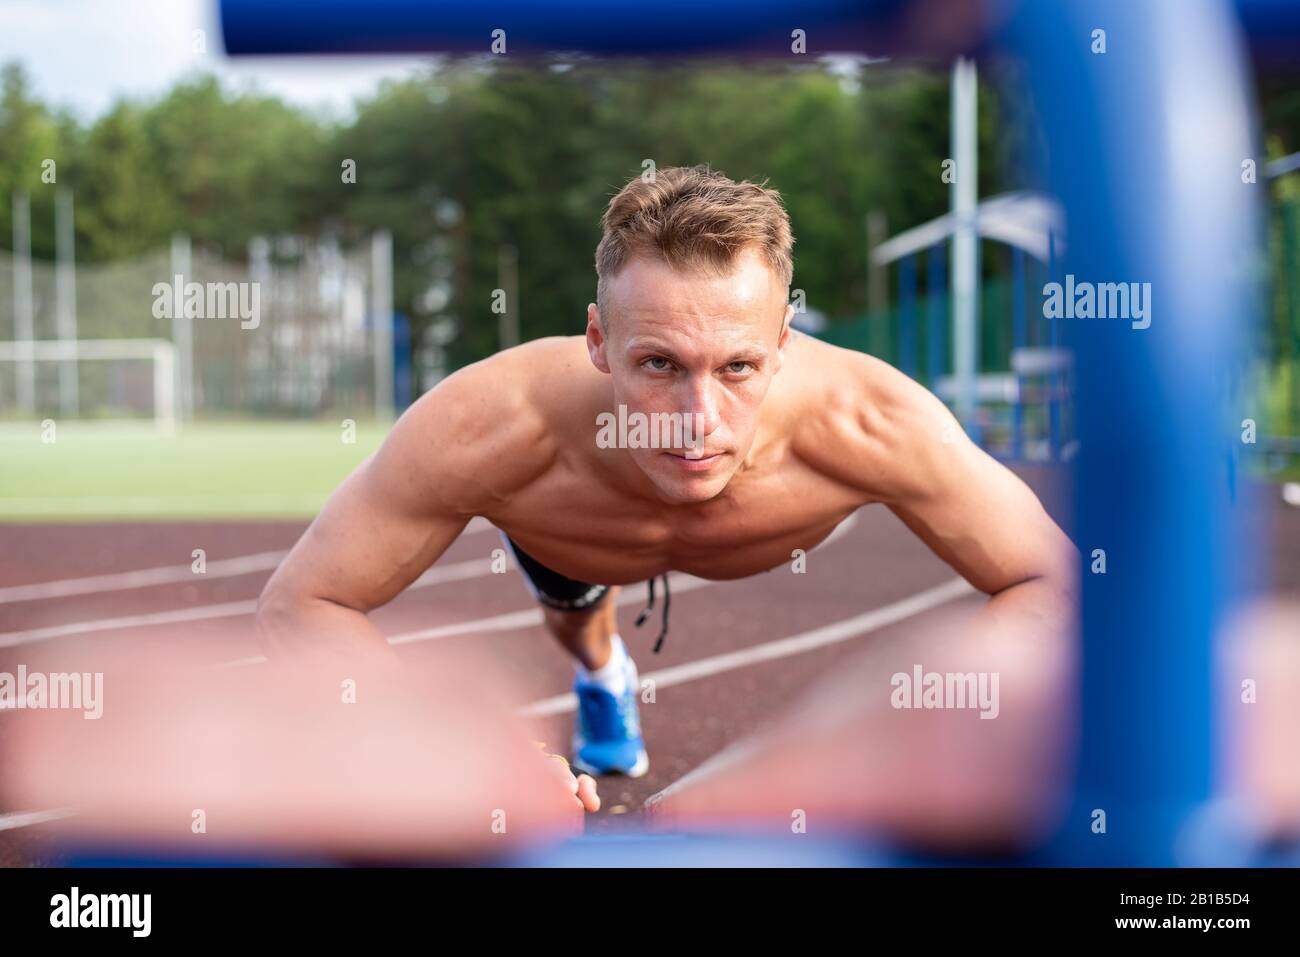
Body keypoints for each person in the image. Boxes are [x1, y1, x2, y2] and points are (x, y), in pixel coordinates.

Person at [255, 165, 1078, 795]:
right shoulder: (487, 428)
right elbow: (303, 602)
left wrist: (910, 718)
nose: (699, 416)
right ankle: (603, 672)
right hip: (573, 535)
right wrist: (462, 755)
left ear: (785, 342)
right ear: (597, 341)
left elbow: (1059, 584)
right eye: (658, 363)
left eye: (740, 366)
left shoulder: (873, 422)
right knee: (578, 624)